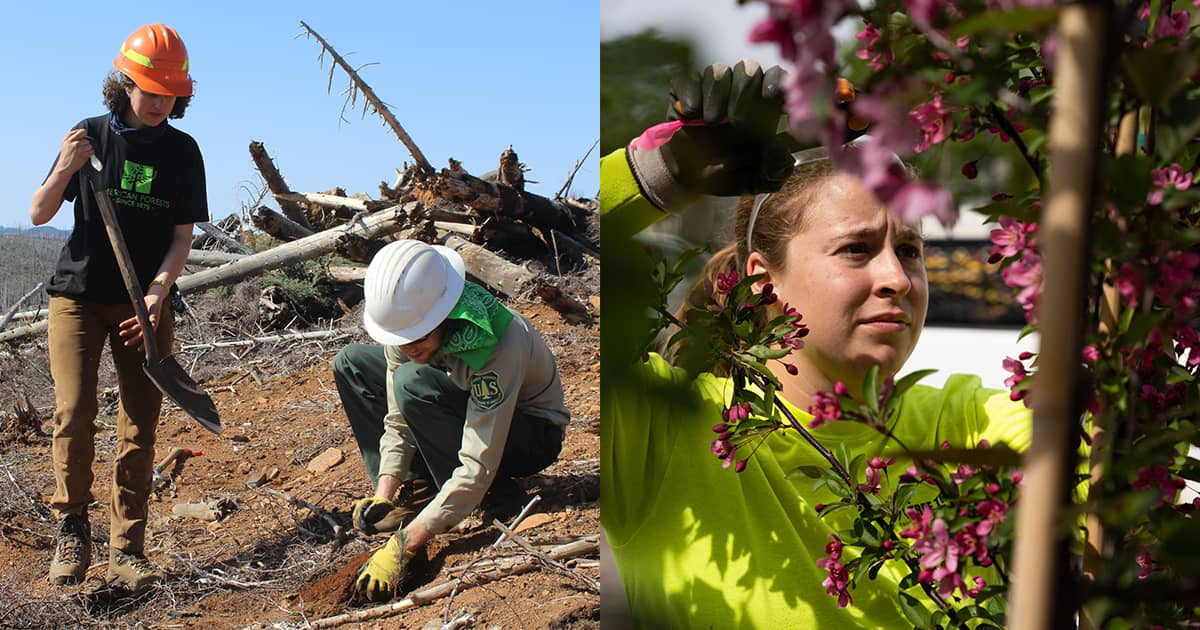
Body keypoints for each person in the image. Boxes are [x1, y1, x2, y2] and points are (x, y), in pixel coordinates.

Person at [600, 61, 1032, 627]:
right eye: (856, 249)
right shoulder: (664, 430)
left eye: (909, 250)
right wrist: (671, 169)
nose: (898, 280)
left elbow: (1126, 447)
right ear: (762, 280)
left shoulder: (970, 425)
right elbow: (575, 252)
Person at [29, 23, 207, 591]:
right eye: (149, 89)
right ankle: (73, 528)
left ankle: (128, 548)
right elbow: (37, 212)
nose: (160, 102)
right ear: (124, 82)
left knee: (140, 423)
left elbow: (182, 236)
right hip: (77, 298)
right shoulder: (89, 136)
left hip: (144, 305)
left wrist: (158, 292)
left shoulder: (183, 152)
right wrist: (64, 167)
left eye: (169, 92)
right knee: (75, 412)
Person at [333, 239, 570, 600]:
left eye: (417, 337)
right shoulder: (411, 323)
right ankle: (421, 491)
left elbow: (478, 463)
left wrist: (409, 542)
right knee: (352, 362)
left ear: (443, 314)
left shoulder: (499, 342)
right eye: (400, 338)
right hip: (463, 400)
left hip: (529, 433)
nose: (407, 346)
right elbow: (398, 419)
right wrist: (385, 490)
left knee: (414, 381)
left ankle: (497, 496)